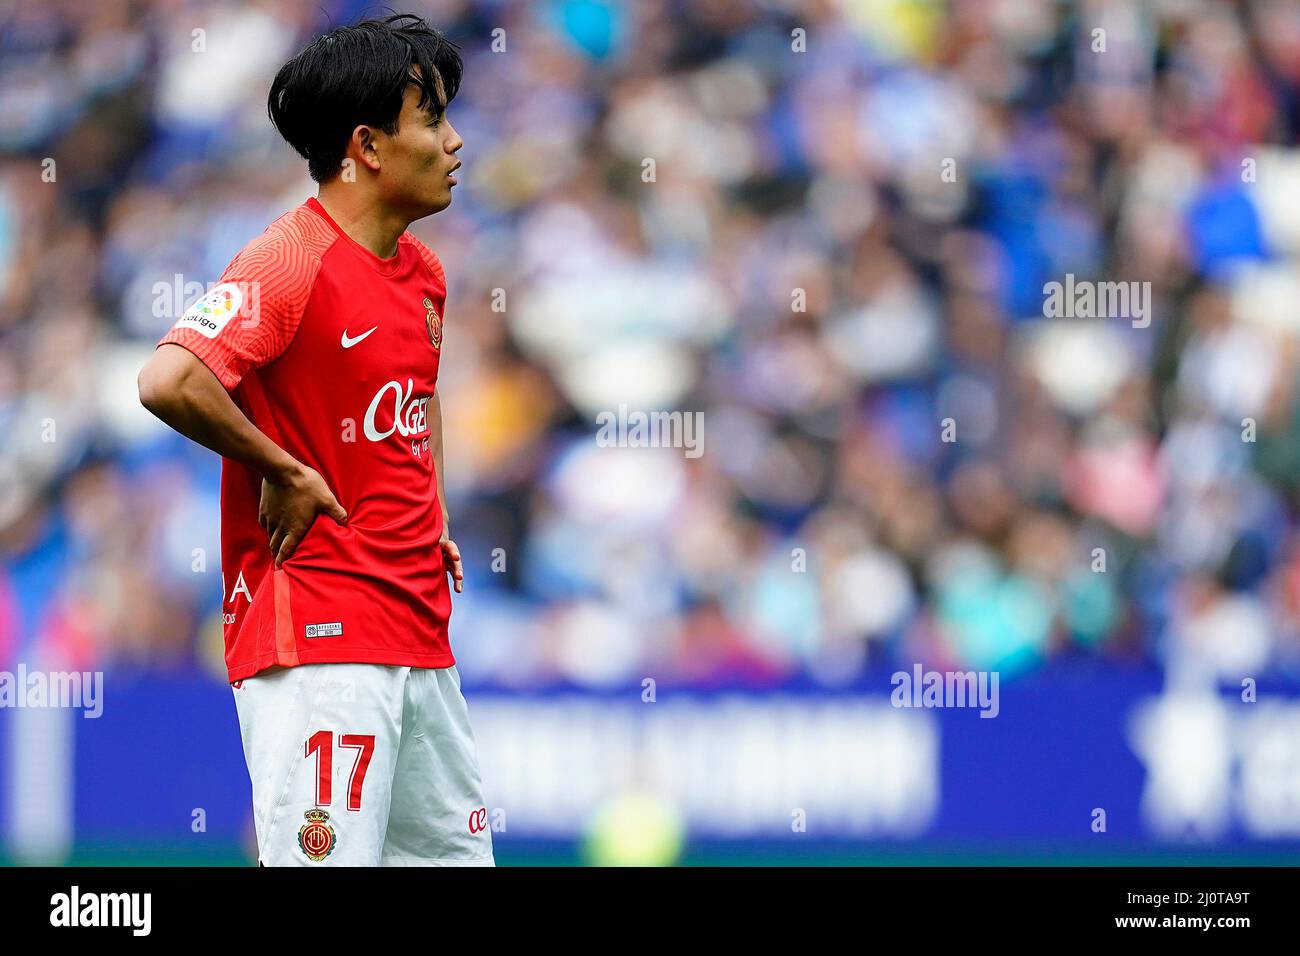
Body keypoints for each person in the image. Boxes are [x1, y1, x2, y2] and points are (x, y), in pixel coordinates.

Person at [137, 13, 492, 866]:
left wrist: (432, 507)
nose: (455, 142)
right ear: (368, 146)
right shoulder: (288, 260)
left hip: (418, 637)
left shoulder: (425, 275)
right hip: (321, 643)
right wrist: (281, 468)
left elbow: (418, 398)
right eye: (433, 120)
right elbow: (169, 379)